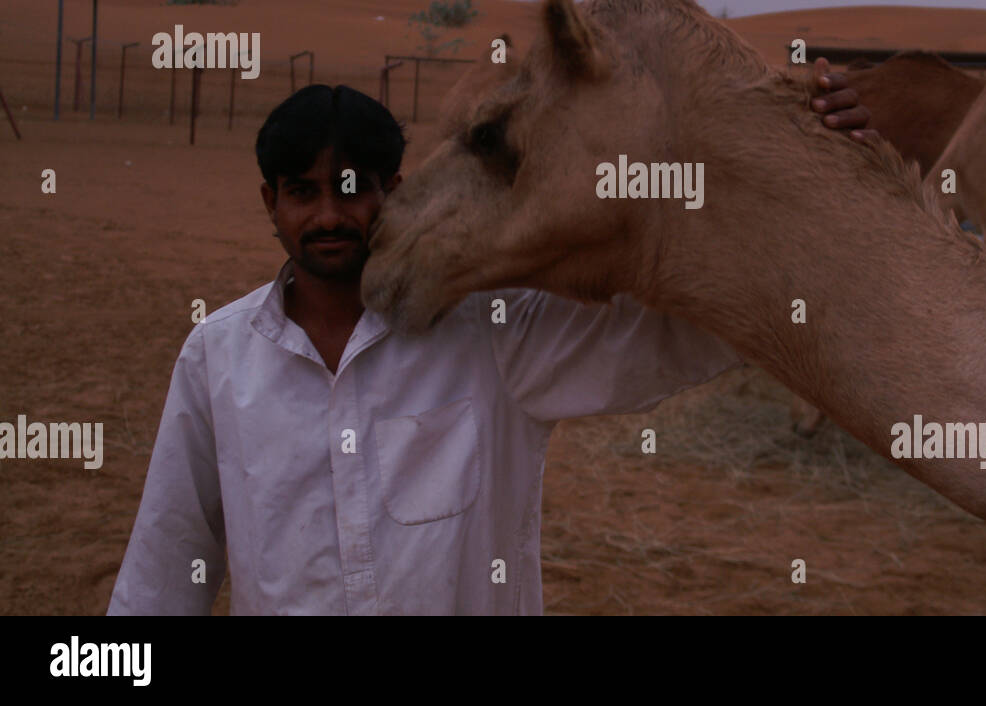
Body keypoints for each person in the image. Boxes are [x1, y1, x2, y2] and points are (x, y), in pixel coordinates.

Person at [107, 60, 868, 615]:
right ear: (270, 203)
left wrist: (813, 162)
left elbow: (679, 330)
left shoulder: (492, 334)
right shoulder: (219, 357)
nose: (329, 218)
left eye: (351, 191)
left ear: (391, 195)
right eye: (302, 194)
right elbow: (170, 561)